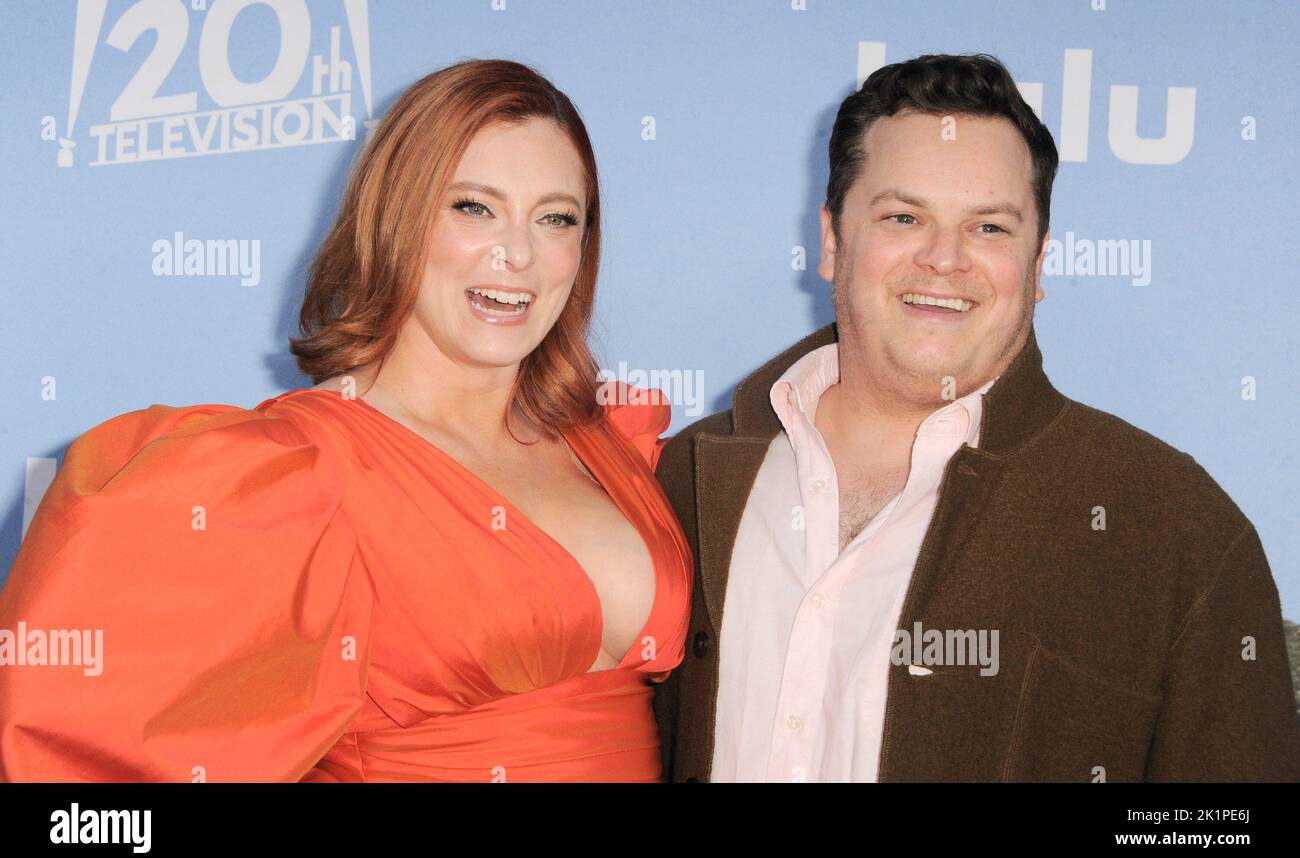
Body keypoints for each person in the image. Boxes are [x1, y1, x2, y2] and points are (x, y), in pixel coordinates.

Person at [0, 59, 692, 782]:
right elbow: (78, 769)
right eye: (473, 207)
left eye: (556, 217)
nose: (516, 253)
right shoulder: (295, 471)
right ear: (396, 217)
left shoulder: (612, 444)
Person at [651, 53, 1300, 782]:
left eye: (989, 228)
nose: (944, 259)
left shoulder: (1175, 527)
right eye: (904, 217)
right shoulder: (685, 475)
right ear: (832, 242)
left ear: (1039, 260)